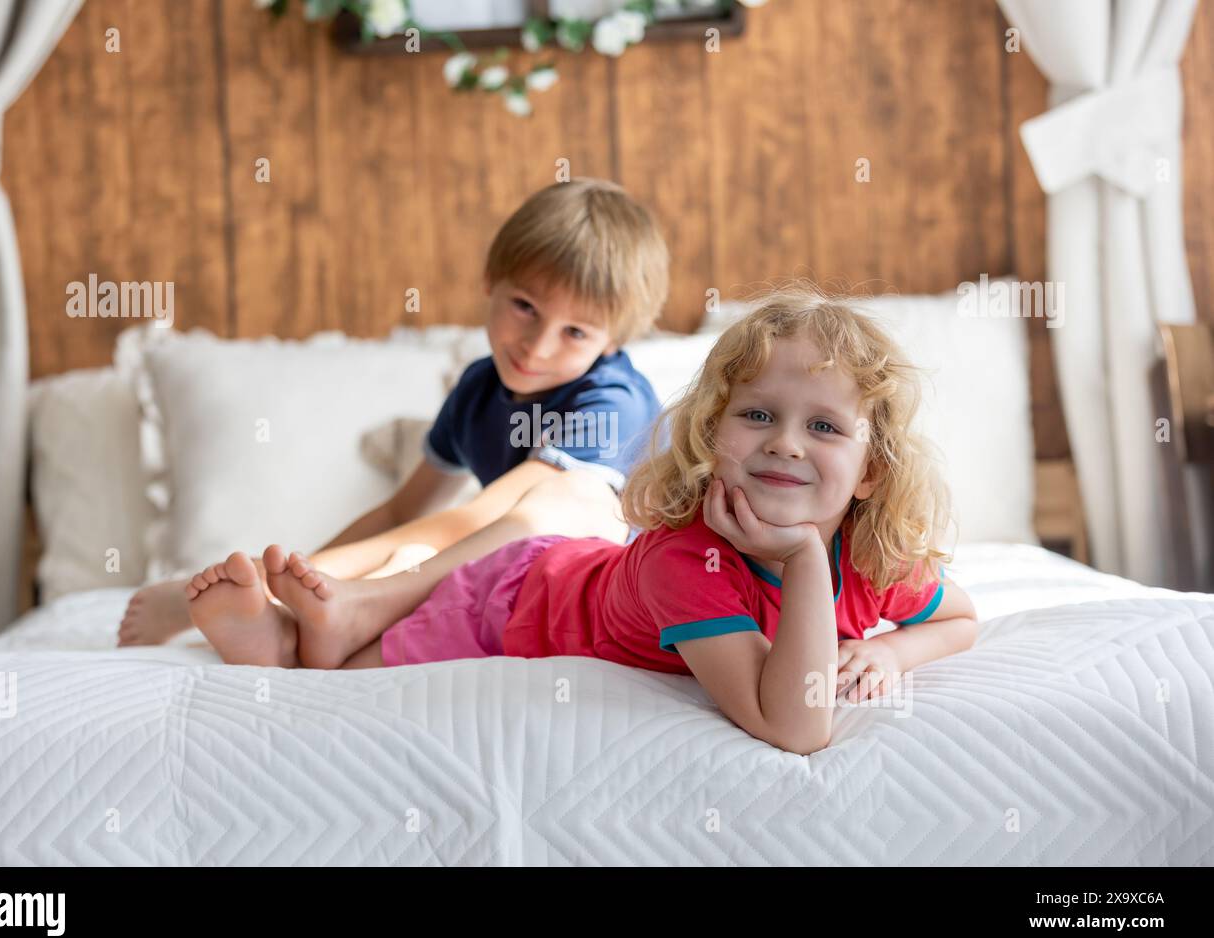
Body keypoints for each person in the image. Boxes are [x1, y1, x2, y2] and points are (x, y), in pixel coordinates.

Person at [182, 285, 980, 755]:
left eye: (825, 428)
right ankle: (286, 645)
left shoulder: (879, 557)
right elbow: (795, 725)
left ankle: (327, 623)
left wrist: (896, 651)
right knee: (343, 681)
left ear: (872, 472)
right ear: (709, 434)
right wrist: (805, 560)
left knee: (354, 649)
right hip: (519, 602)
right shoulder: (686, 560)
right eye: (760, 414)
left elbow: (962, 620)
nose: (784, 445)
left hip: (558, 570)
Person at [117, 176, 669, 645]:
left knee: (559, 500)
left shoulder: (613, 402)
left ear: (614, 342)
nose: (537, 346)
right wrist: (299, 577)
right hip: (512, 583)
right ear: (489, 284)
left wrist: (274, 580)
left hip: (610, 604)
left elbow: (488, 518)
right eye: (524, 307)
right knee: (407, 548)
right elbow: (401, 511)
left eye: (575, 332)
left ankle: (339, 610)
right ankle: (287, 637)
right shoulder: (480, 386)